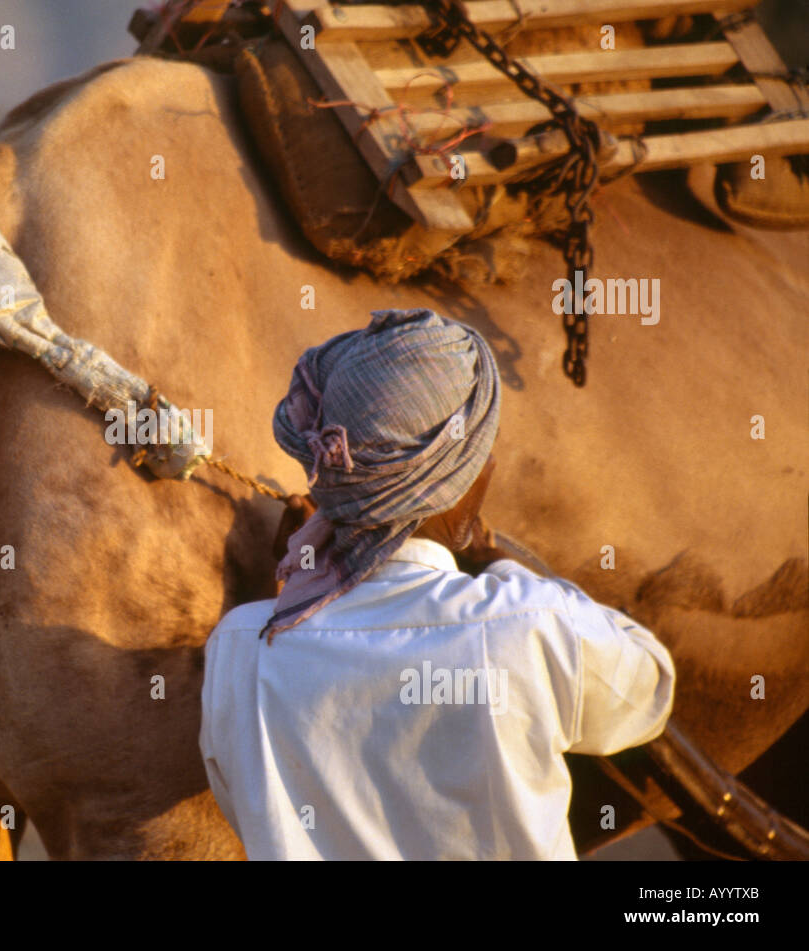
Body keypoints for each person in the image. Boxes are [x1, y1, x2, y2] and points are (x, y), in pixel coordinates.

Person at [199, 308, 675, 860]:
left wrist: (290, 584)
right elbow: (648, 690)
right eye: (481, 455)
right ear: (464, 479)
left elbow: (251, 803)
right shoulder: (529, 626)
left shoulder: (238, 648)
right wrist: (499, 560)